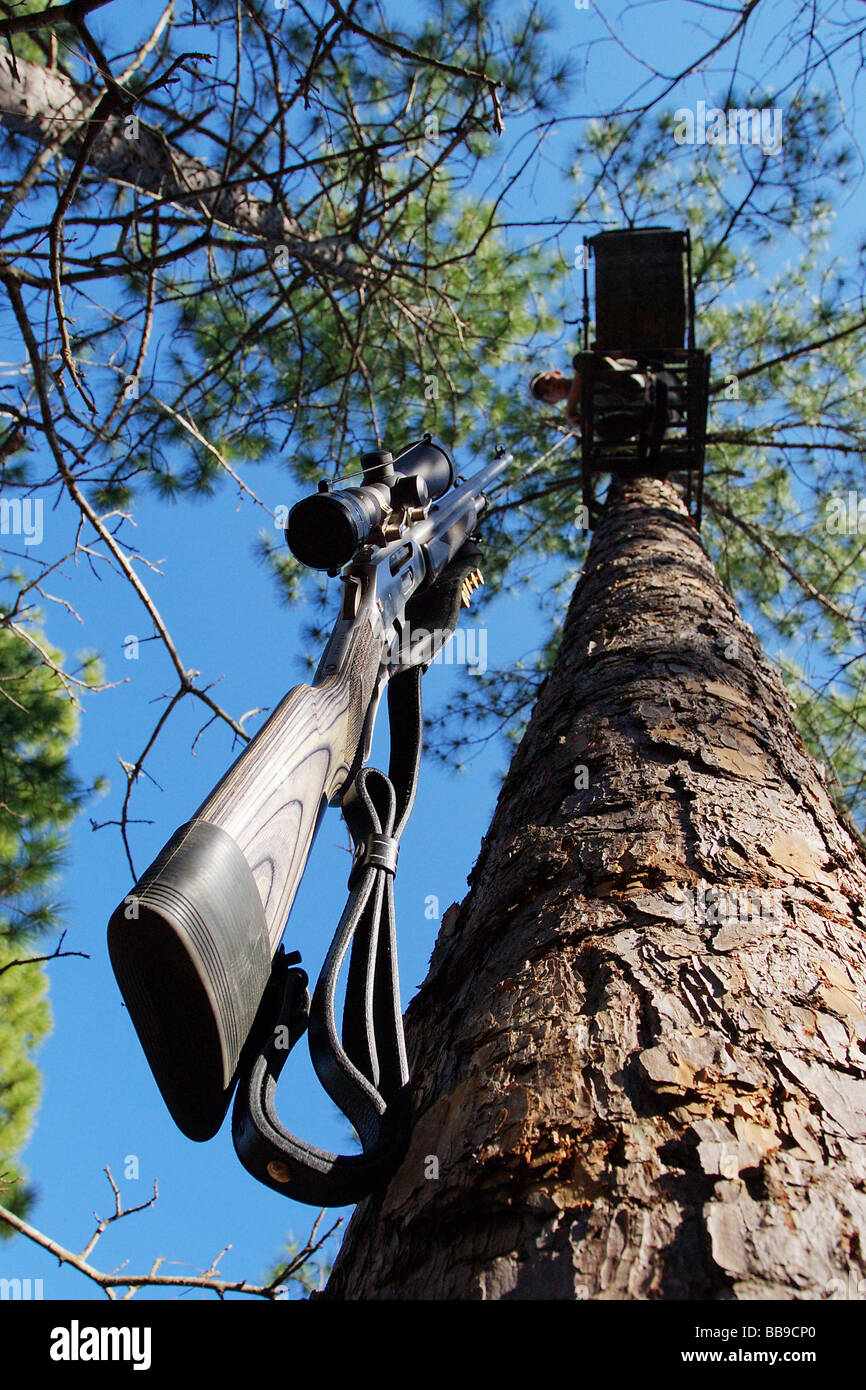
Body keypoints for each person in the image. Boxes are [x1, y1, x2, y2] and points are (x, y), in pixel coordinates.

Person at [530, 356, 681, 444]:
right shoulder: (584, 414)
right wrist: (586, 427)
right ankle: (647, 420)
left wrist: (569, 409)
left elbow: (590, 363)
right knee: (599, 428)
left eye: (549, 381)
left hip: (656, 384)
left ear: (557, 373)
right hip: (657, 413)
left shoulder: (587, 367)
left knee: (585, 361)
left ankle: (639, 395)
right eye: (547, 392)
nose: (552, 387)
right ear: (552, 402)